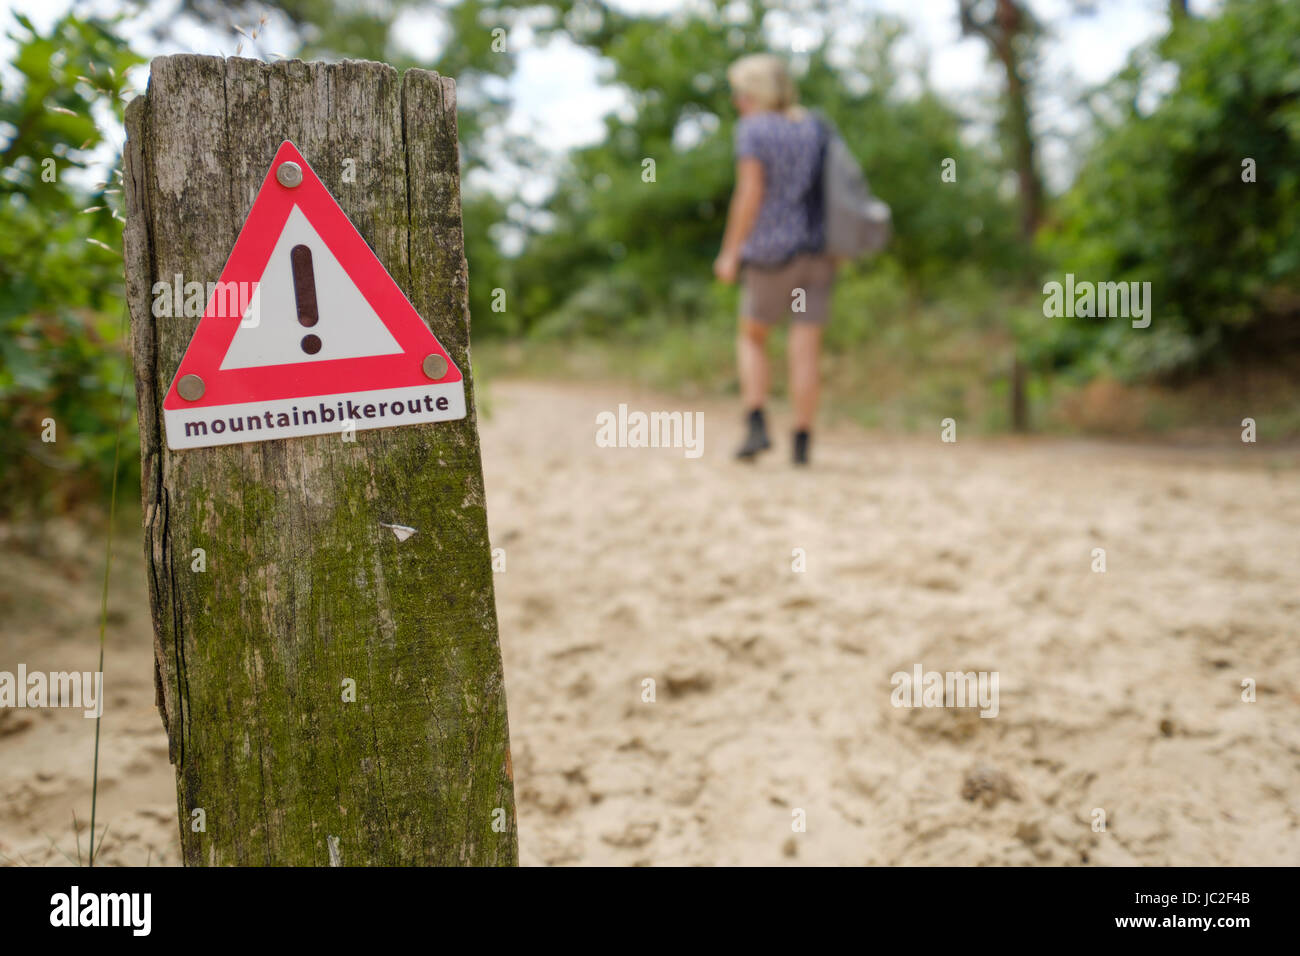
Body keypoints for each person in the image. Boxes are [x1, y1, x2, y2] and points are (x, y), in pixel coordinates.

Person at [714, 53, 835, 466]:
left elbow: (750, 193)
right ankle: (802, 440)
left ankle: (756, 424)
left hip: (769, 252)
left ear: (752, 93)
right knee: (804, 347)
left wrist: (731, 251)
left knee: (753, 336)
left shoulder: (753, 130)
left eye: (739, 92)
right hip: (817, 251)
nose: (736, 101)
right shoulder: (814, 127)